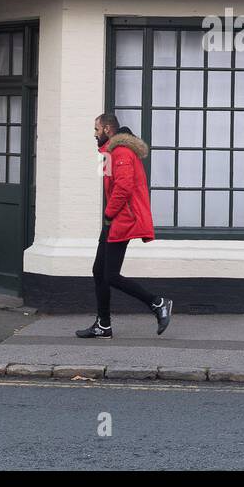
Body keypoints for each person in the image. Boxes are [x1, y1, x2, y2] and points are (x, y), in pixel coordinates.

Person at [77, 114, 173, 339]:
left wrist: (109, 214)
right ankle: (103, 325)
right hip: (113, 219)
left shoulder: (122, 153)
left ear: (108, 129)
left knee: (110, 275)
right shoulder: (109, 154)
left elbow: (123, 188)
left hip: (122, 219)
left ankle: (158, 303)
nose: (94, 134)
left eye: (96, 129)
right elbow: (110, 186)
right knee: (98, 272)